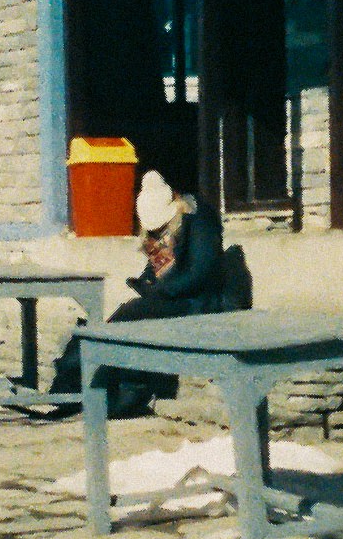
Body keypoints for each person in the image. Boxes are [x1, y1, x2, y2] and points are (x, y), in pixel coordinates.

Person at [55, 170, 230, 409]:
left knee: (128, 315)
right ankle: (71, 382)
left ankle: (76, 383)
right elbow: (156, 268)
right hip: (169, 299)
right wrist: (145, 282)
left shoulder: (199, 220)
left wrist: (161, 291)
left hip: (198, 302)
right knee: (122, 319)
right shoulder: (162, 234)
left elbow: (200, 272)